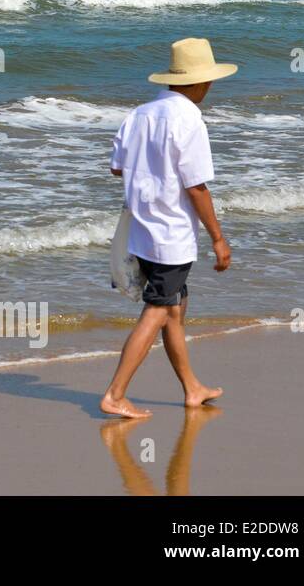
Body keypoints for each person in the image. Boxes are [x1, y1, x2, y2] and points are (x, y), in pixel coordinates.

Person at [100, 38, 235, 419]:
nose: (209, 87)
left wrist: (151, 169)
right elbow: (196, 186)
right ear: (198, 82)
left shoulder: (140, 113)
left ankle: (192, 388)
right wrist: (219, 239)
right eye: (208, 81)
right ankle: (115, 394)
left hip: (143, 230)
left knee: (174, 309)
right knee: (158, 309)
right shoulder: (189, 118)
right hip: (171, 235)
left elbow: (116, 167)